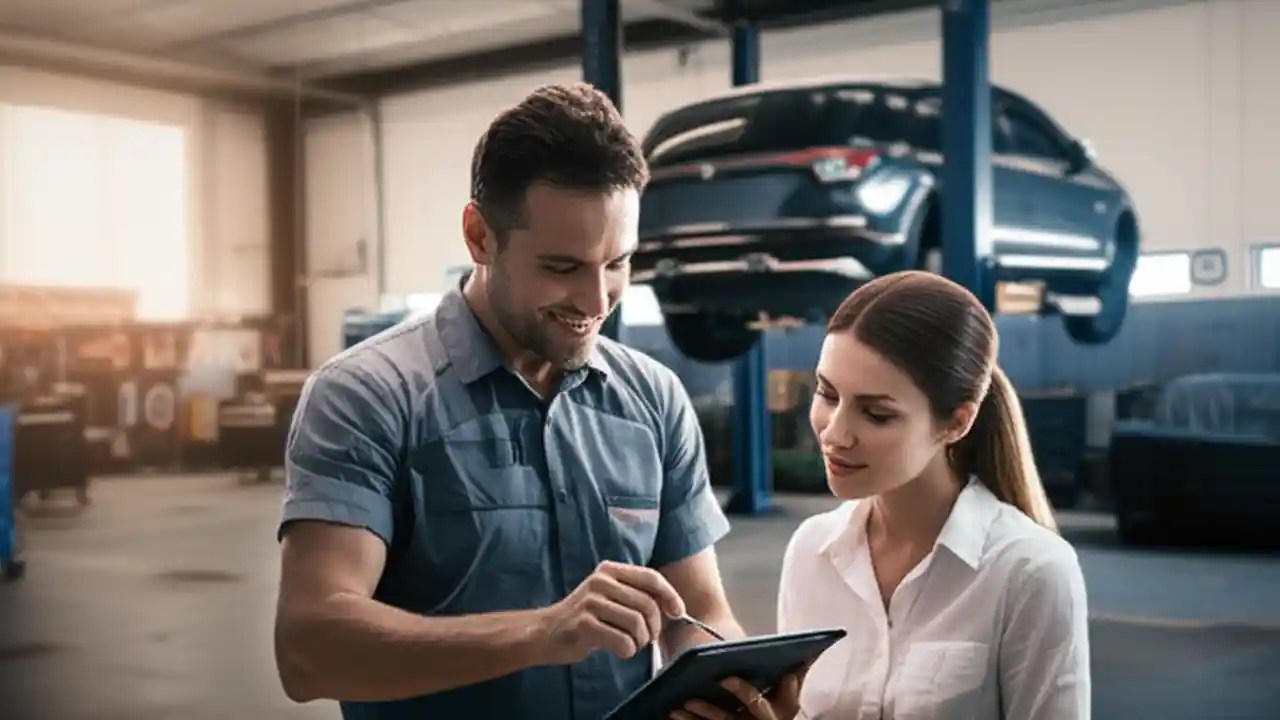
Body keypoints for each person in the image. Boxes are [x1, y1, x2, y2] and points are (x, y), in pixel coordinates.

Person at [273, 82, 804, 720]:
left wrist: (735, 681)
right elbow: (308, 648)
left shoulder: (653, 401)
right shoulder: (367, 397)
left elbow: (698, 612)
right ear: (479, 237)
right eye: (562, 267)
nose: (597, 300)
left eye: (618, 263)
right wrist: (541, 634)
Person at [776, 270, 1090, 720]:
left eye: (877, 414)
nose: (835, 432)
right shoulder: (811, 551)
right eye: (827, 393)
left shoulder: (1030, 572)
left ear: (956, 423)